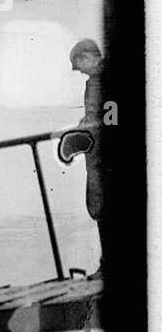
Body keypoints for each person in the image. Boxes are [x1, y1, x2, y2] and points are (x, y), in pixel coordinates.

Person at [70, 38, 107, 277]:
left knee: (104, 208)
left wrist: (87, 127)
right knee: (100, 208)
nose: (79, 70)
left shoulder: (105, 81)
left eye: (78, 64)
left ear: (88, 57)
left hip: (104, 158)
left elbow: (112, 117)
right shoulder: (95, 81)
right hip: (98, 155)